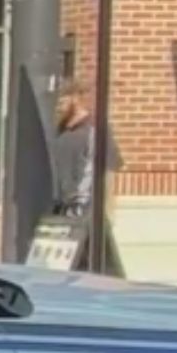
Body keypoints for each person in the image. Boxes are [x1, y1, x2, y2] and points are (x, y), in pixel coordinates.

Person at [52, 80, 124, 274]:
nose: (59, 107)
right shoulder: (62, 132)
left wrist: (108, 210)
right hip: (63, 210)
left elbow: (108, 170)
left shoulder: (94, 130)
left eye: (62, 101)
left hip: (87, 210)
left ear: (75, 99)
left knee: (96, 267)